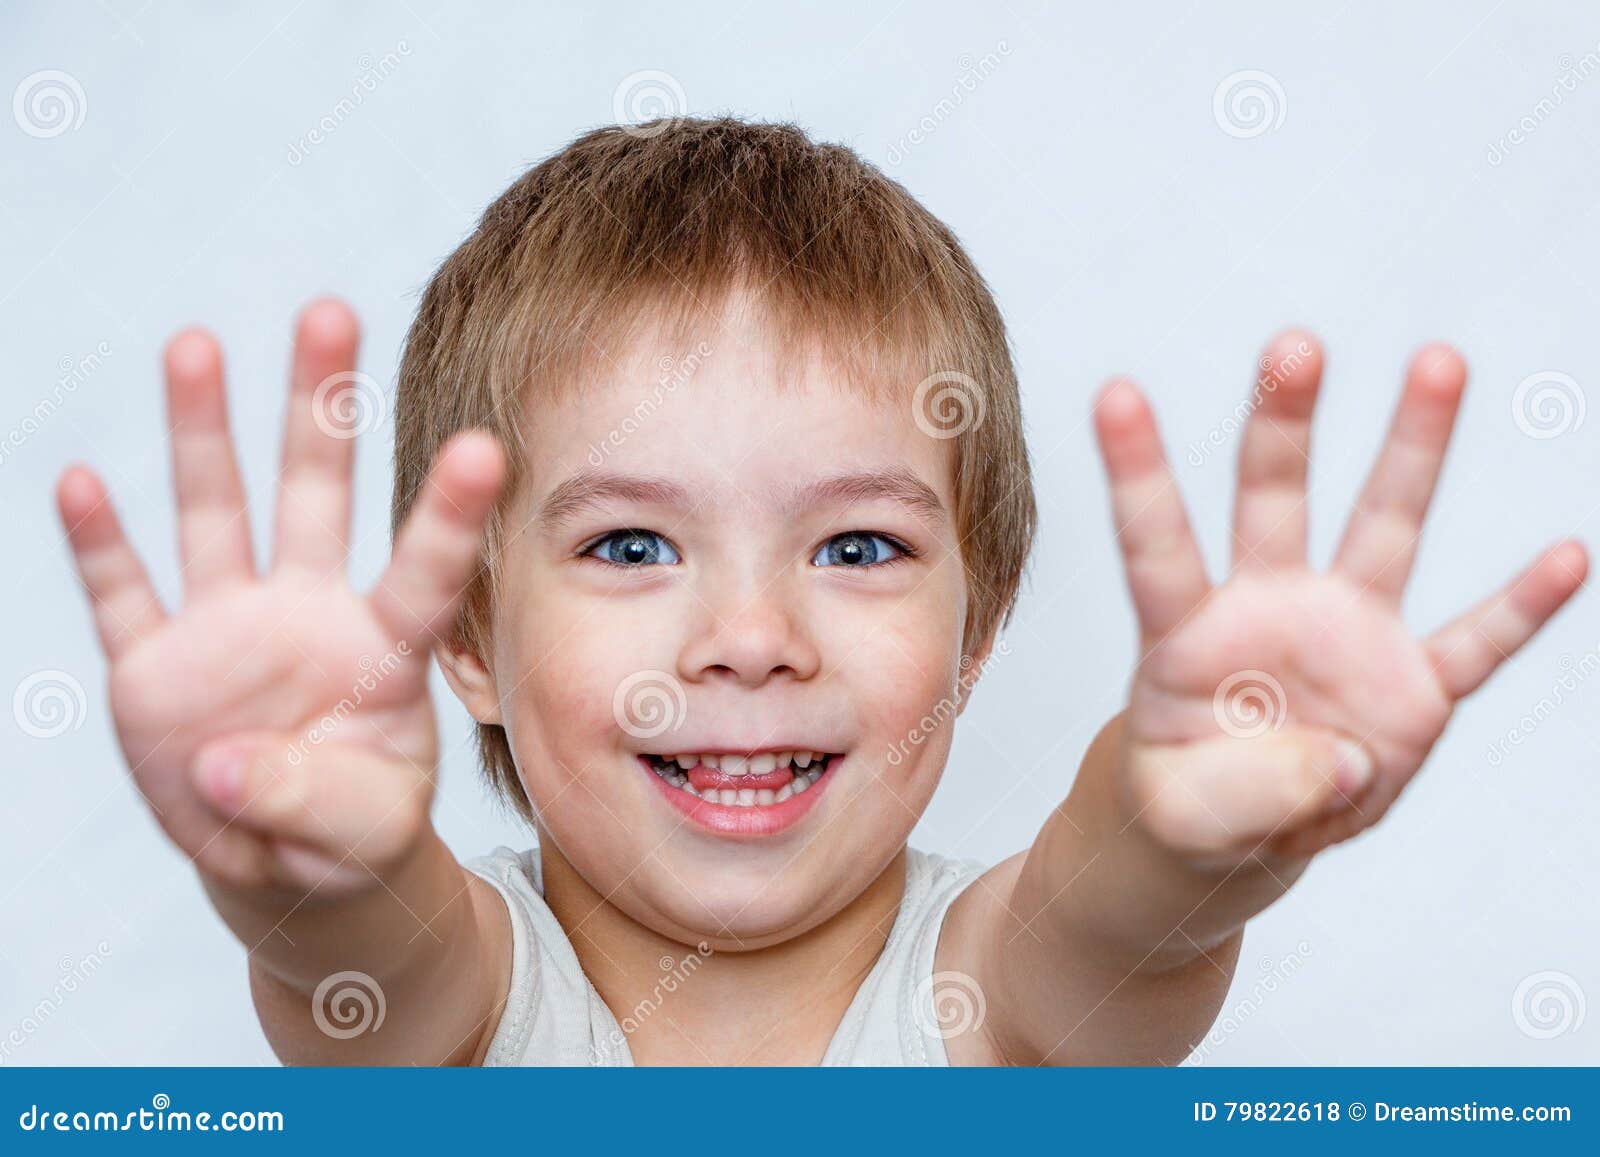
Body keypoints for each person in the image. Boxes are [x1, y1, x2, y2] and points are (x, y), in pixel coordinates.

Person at [55, 117, 1588, 1065]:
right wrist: (304, 868)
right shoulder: (468, 1007)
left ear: (977, 635)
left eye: (857, 548)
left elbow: (1119, 921)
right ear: (463, 635)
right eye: (630, 546)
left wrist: (1187, 831)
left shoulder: (995, 1005)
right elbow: (366, 965)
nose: (748, 641)